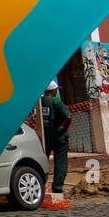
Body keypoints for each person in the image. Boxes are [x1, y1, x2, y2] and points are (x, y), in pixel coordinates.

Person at [41, 79, 72, 209]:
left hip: (45, 137)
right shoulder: (56, 102)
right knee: (61, 163)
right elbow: (68, 117)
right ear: (53, 91)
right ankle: (57, 190)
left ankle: (41, 186)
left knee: (42, 162)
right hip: (59, 138)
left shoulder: (39, 102)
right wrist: (62, 128)